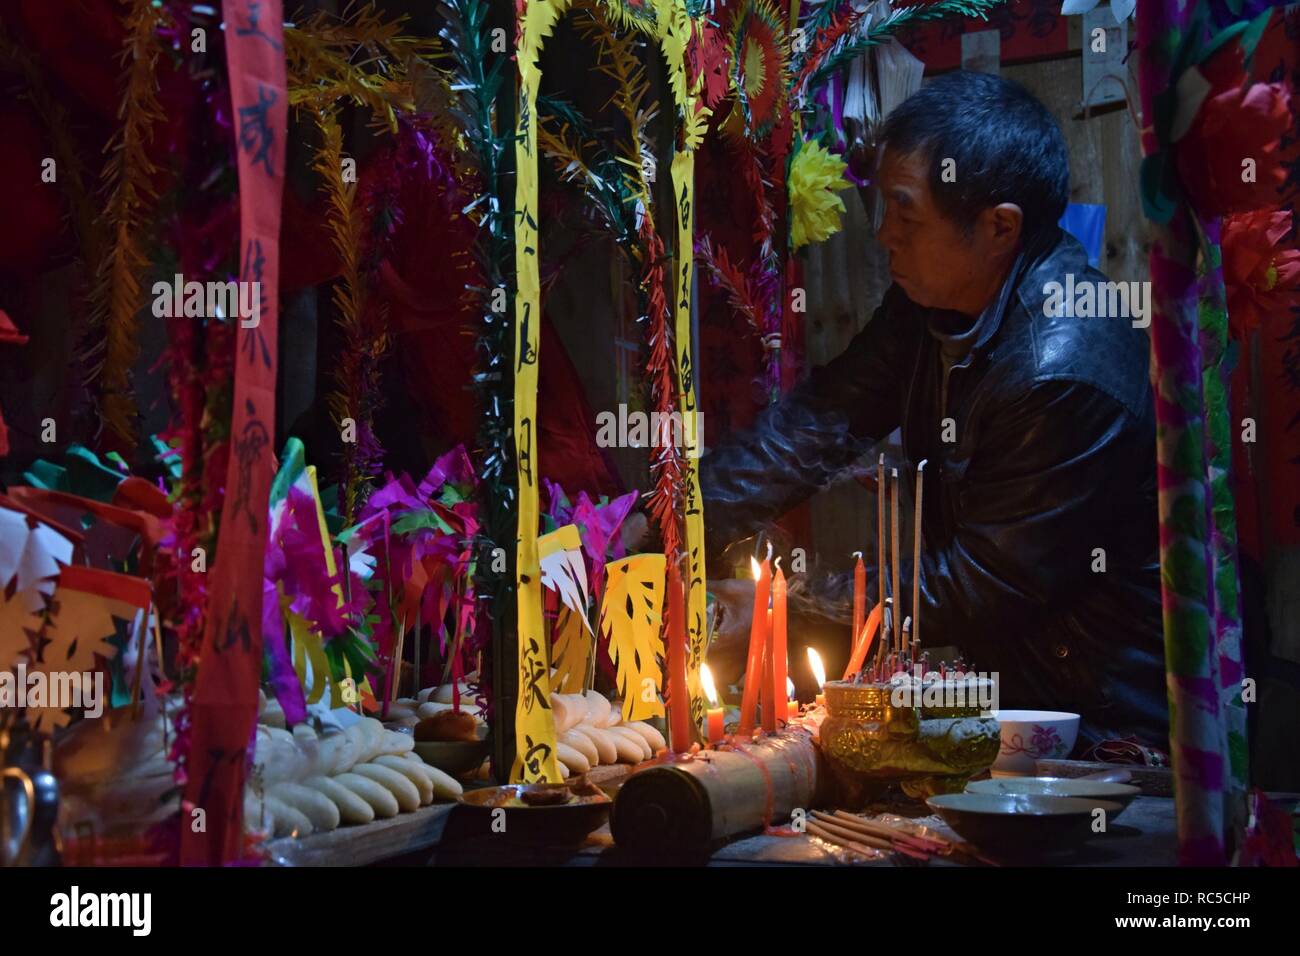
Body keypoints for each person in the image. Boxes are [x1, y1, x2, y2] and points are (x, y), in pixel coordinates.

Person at [699, 71, 1168, 752]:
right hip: (1008, 704)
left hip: (1098, 733)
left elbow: (981, 581)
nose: (884, 236)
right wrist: (671, 521)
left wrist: (783, 610)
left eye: (906, 213)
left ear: (998, 227)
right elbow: (822, 420)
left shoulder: (1063, 371)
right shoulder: (931, 305)